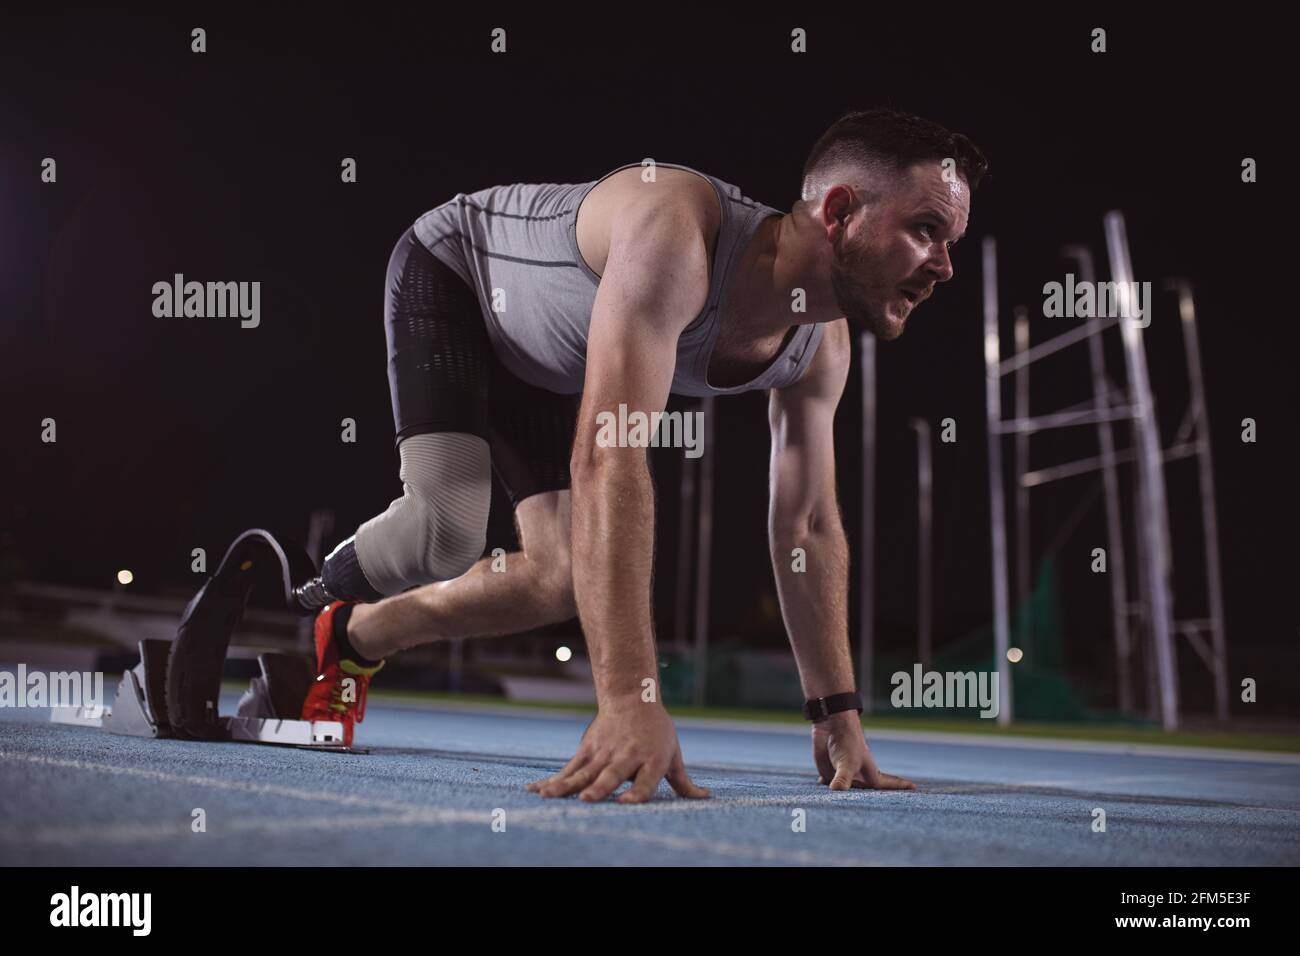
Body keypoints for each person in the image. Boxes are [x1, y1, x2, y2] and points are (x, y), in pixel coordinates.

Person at [292, 107, 986, 802]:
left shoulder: (821, 346)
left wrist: (836, 715)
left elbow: (806, 525)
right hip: (463, 279)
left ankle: (352, 636)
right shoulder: (678, 233)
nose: (946, 266)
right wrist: (629, 698)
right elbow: (610, 458)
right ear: (840, 210)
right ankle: (315, 591)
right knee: (444, 530)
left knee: (560, 578)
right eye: (926, 230)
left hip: (560, 360)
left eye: (951, 240)